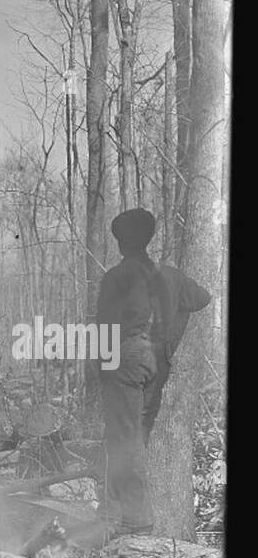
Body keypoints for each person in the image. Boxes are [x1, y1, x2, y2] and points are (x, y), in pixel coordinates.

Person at [96, 208, 210, 535]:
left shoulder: (117, 276)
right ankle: (118, 509)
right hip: (157, 361)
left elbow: (103, 326)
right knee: (137, 434)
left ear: (123, 242)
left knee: (124, 436)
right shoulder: (170, 275)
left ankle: (134, 519)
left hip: (125, 356)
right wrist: (169, 334)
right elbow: (201, 298)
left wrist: (102, 367)